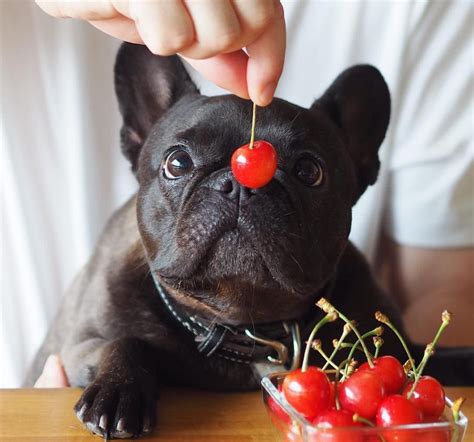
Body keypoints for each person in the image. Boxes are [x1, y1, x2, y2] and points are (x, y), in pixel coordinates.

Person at [2, 0, 472, 388]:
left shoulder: (354, 305)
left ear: (357, 168)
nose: (241, 189)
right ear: (140, 138)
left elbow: (443, 305)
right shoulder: (121, 298)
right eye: (180, 165)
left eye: (307, 173)